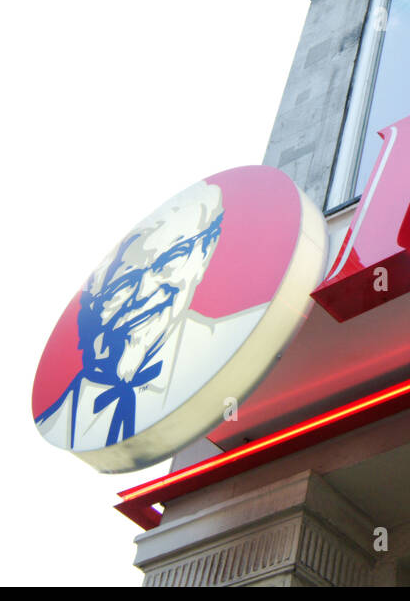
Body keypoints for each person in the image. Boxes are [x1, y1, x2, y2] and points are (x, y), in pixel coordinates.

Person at [35, 182, 260, 454]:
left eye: (172, 258)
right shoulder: (59, 423)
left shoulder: (244, 340)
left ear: (205, 253)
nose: (145, 292)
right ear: (94, 305)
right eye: (123, 284)